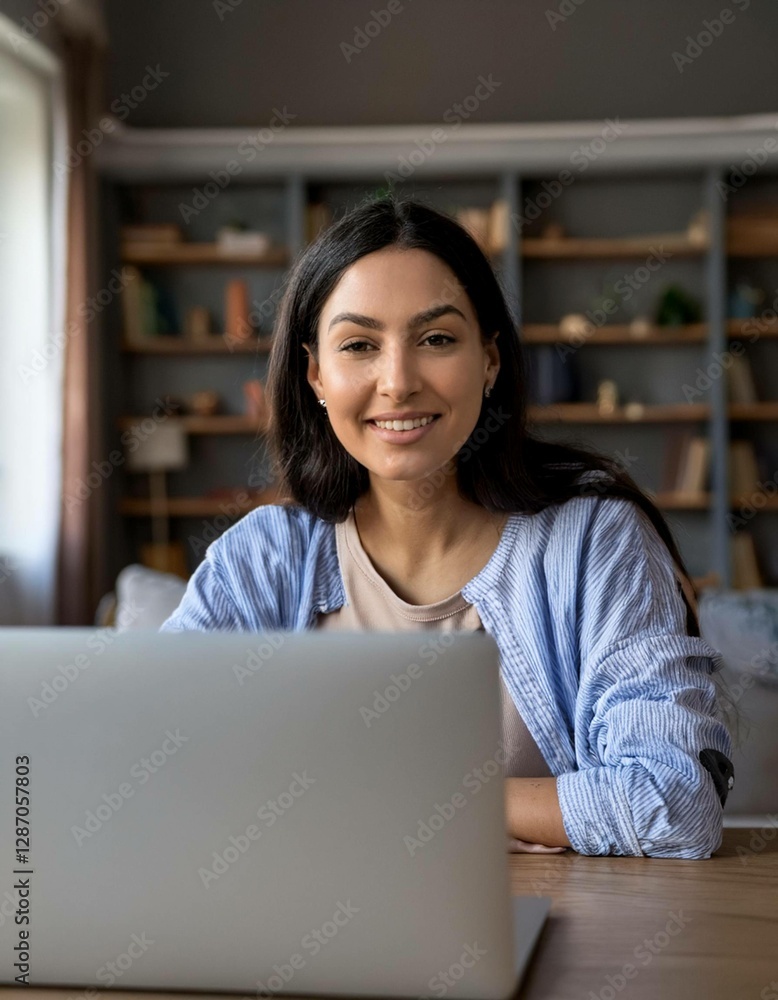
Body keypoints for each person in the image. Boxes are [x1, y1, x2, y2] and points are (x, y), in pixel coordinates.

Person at [160, 196, 735, 858]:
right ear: (315, 372)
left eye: (436, 339)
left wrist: (427, 797)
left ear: (489, 361)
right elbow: (161, 768)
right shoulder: (258, 562)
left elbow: (674, 803)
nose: (398, 381)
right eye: (359, 345)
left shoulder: (594, 545)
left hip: (557, 936)